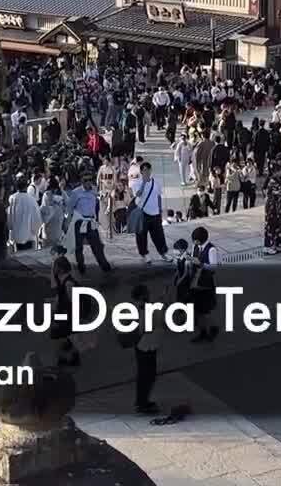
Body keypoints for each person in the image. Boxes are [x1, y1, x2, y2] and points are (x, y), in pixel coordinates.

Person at [122, 283, 160, 414]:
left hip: (145, 346)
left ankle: (143, 401)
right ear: (143, 295)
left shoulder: (140, 307)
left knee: (147, 375)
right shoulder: (141, 309)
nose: (149, 294)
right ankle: (142, 403)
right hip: (145, 346)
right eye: (147, 293)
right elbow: (144, 328)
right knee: (147, 376)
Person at [68, 177, 113, 277]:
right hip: (80, 221)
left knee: (97, 245)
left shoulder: (94, 190)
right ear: (82, 182)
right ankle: (81, 266)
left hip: (91, 221)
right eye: (86, 181)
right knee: (79, 246)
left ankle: (105, 266)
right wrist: (69, 222)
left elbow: (99, 198)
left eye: (90, 181)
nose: (88, 184)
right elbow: (70, 207)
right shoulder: (76, 192)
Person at [187, 226, 221, 342]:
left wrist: (201, 263)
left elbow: (213, 268)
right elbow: (193, 259)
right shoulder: (195, 247)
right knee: (198, 309)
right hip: (195, 280)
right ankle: (203, 330)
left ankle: (210, 329)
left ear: (201, 239)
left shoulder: (211, 250)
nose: (194, 242)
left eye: (195, 240)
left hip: (205, 283)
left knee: (205, 310)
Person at [131, 162, 169, 262]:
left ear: (150, 170)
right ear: (141, 172)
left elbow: (159, 196)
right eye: (144, 170)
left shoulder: (156, 182)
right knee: (141, 235)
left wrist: (160, 210)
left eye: (148, 170)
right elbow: (138, 195)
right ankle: (144, 254)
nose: (146, 172)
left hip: (155, 212)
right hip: (143, 212)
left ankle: (163, 253)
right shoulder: (136, 183)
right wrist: (143, 183)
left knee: (159, 235)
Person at [8, 176, 40, 252]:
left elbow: (10, 217)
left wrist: (11, 228)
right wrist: (35, 231)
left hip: (17, 235)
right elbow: (37, 218)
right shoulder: (32, 200)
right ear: (26, 186)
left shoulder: (13, 198)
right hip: (29, 236)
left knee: (18, 258)